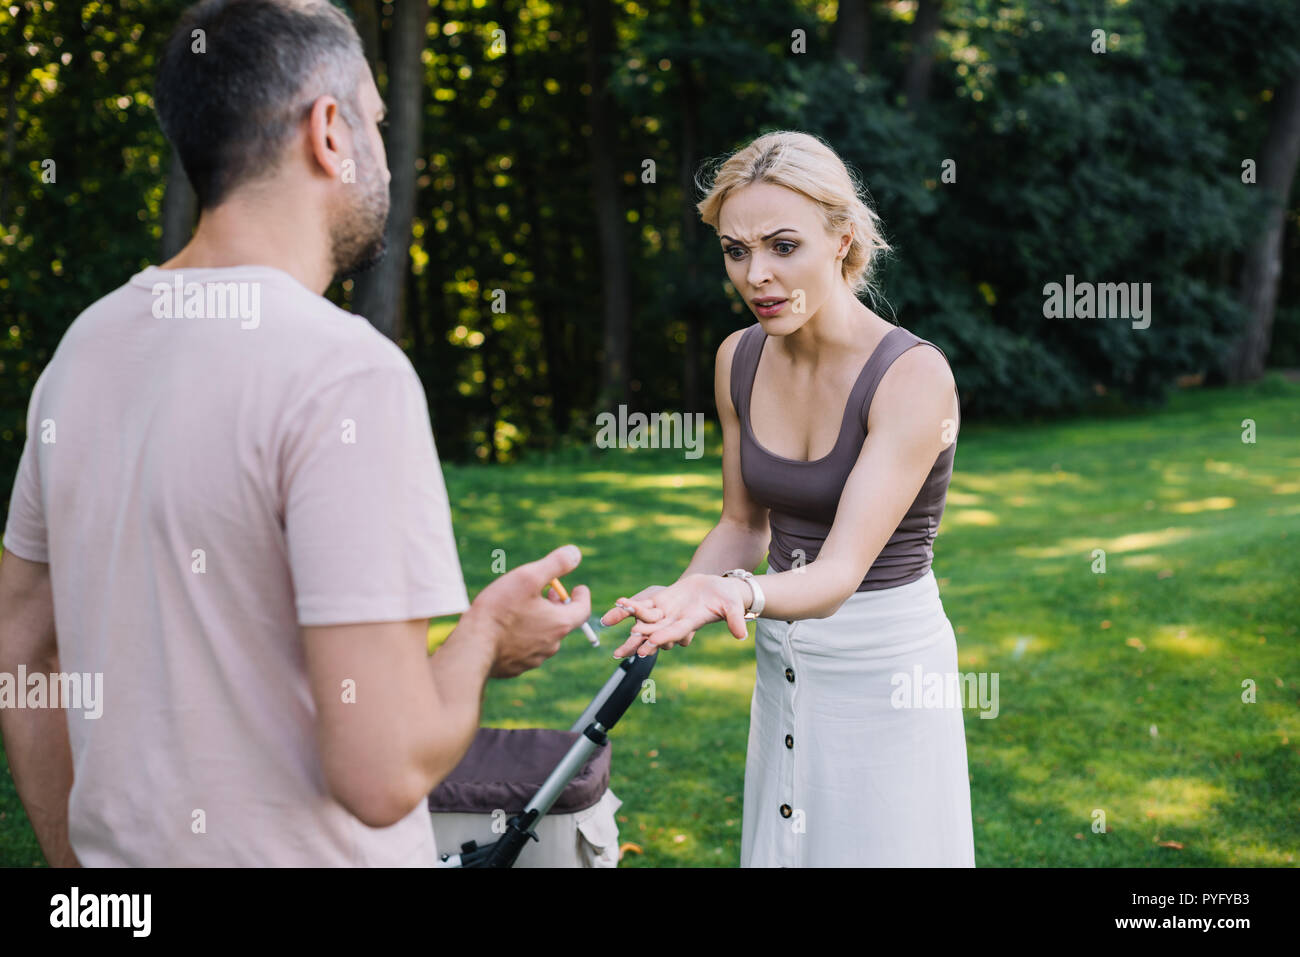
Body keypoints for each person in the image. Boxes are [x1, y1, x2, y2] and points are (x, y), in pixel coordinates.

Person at [0, 0, 591, 867]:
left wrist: (79, 872)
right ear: (329, 132)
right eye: (377, 123)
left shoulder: (84, 350)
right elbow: (383, 768)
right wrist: (481, 641)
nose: (385, 155)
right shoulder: (347, 374)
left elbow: (21, 649)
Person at [602, 131, 975, 867]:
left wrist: (726, 594)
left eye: (782, 245)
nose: (757, 275)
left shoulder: (912, 377)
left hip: (885, 669)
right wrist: (682, 596)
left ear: (843, 238)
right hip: (782, 658)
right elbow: (742, 524)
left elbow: (837, 575)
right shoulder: (737, 358)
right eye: (737, 251)